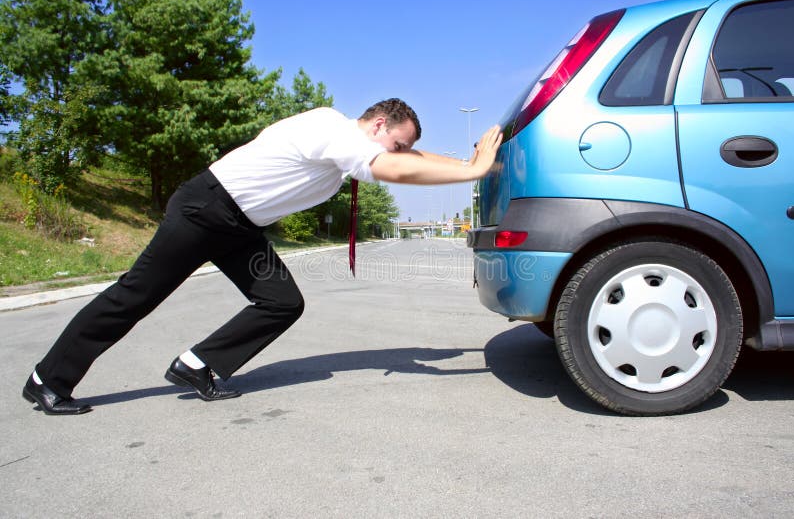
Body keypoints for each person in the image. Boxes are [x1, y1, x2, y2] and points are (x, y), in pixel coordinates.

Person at [22, 98, 503, 415]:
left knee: (281, 301)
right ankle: (47, 379)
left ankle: (197, 364)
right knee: (136, 296)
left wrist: (471, 165)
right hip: (204, 209)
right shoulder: (333, 130)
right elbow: (396, 168)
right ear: (379, 124)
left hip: (238, 226)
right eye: (398, 141)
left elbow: (409, 160)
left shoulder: (346, 144)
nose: (401, 151)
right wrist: (471, 170)